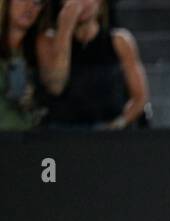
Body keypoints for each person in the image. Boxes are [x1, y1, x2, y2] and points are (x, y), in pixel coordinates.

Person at [35, 0, 149, 128]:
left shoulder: (120, 41)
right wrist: (65, 29)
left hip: (108, 133)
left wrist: (117, 124)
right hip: (64, 133)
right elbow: (56, 85)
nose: (83, 3)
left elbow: (140, 98)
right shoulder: (47, 41)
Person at [1, 0, 43, 130]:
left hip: (26, 138)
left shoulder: (39, 51)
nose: (29, 6)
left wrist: (30, 103)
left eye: (37, 2)